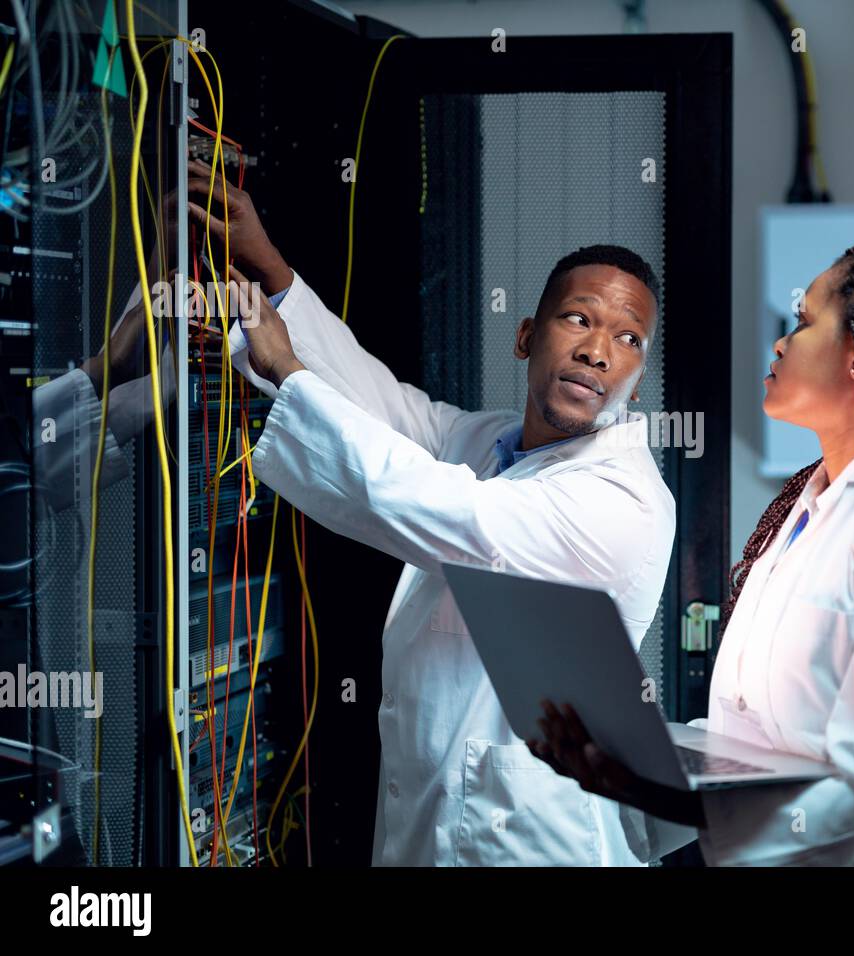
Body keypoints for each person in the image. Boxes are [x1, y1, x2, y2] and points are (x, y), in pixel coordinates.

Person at [193, 160, 676, 866]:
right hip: (436, 820)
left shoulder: (623, 501)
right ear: (525, 336)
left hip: (533, 844)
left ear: (636, 380)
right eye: (578, 318)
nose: (599, 351)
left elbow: (429, 503)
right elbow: (385, 408)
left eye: (628, 340)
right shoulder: (489, 442)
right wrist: (270, 270)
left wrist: (287, 373)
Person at [530, 204, 854, 866]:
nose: (779, 342)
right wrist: (640, 754)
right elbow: (760, 738)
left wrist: (676, 797)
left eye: (801, 324)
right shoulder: (802, 510)